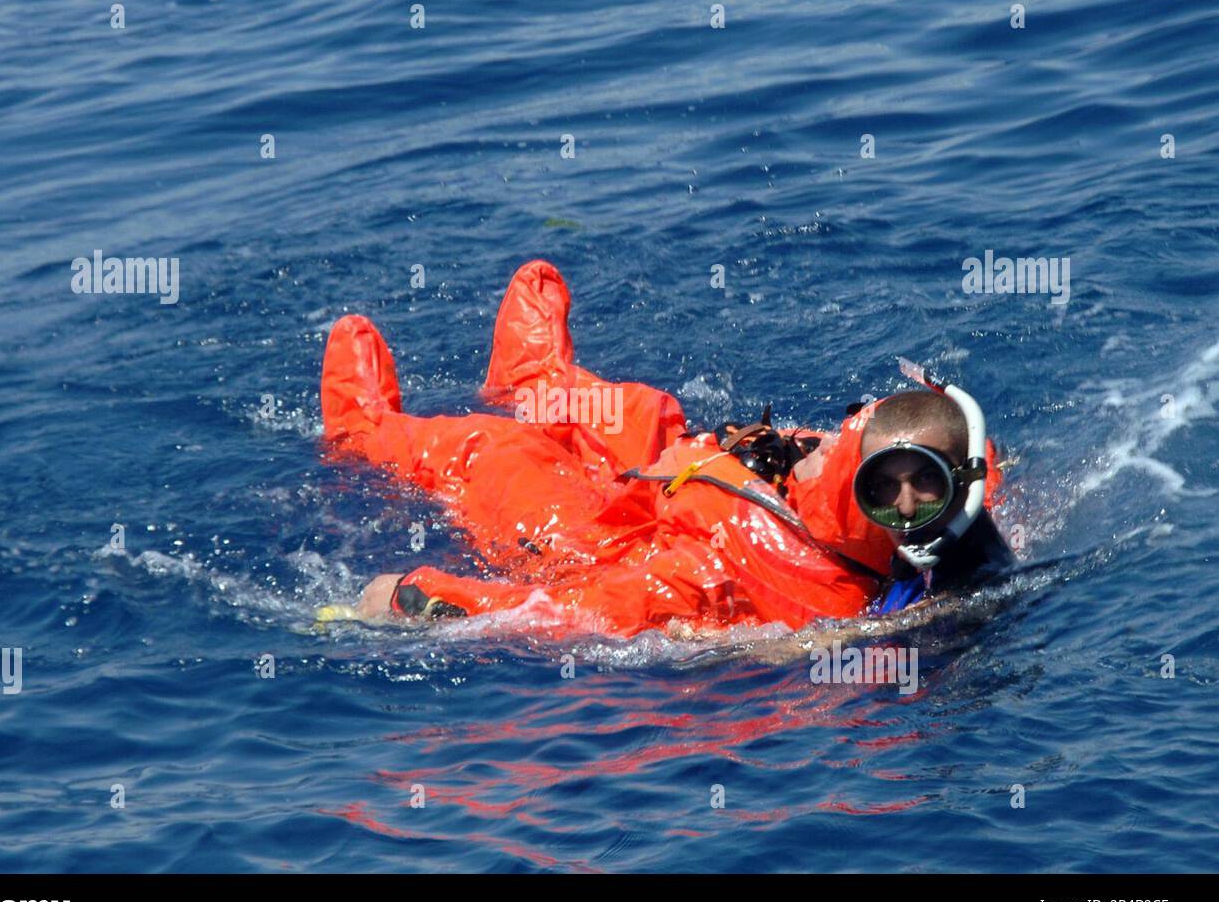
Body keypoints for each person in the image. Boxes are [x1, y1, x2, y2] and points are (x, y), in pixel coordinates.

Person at [322, 260, 1010, 635]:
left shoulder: (753, 587)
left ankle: (362, 428)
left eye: (924, 486)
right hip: (683, 470)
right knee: (632, 407)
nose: (906, 502)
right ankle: (531, 378)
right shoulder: (868, 479)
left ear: (957, 488)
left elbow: (586, 612)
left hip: (608, 537)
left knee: (494, 454)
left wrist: (431, 597)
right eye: (882, 482)